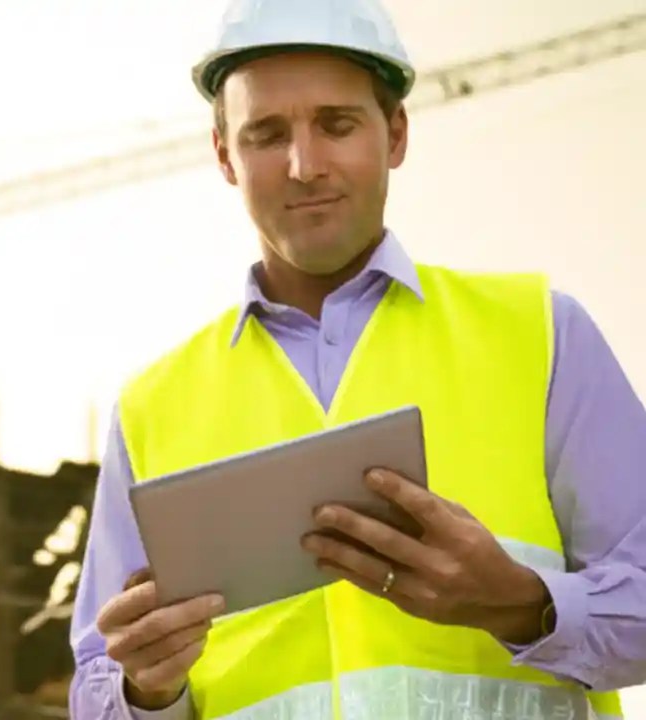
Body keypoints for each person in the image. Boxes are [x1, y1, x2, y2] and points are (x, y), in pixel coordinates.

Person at [67, 0, 646, 718]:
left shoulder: (541, 334)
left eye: (336, 125)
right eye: (266, 135)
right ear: (224, 155)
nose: (304, 166)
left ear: (395, 134)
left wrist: (523, 604)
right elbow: (96, 687)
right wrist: (147, 689)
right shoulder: (154, 408)